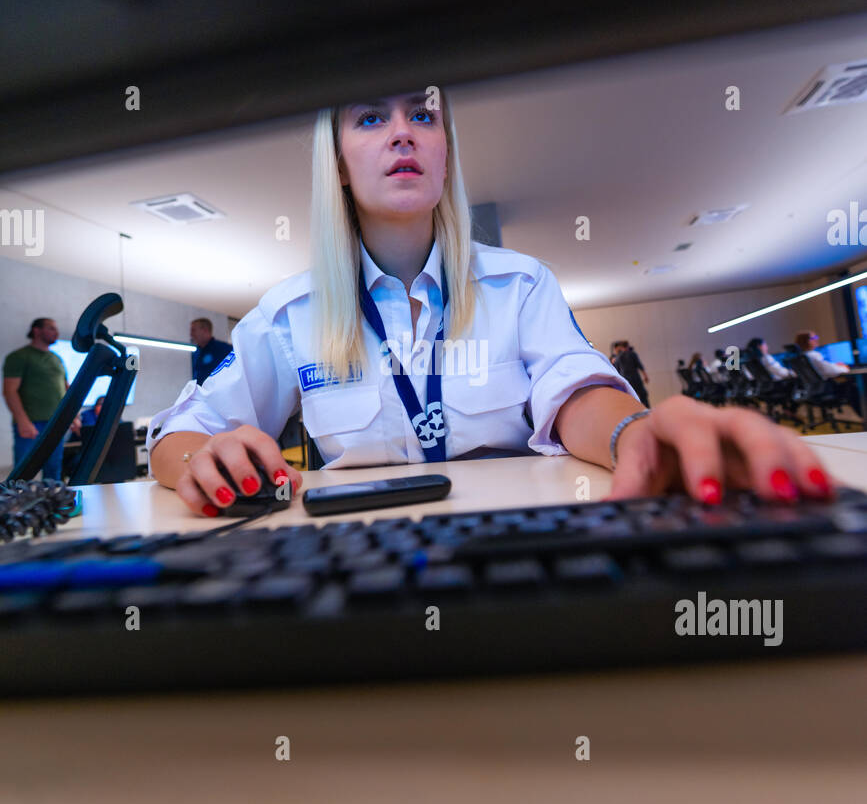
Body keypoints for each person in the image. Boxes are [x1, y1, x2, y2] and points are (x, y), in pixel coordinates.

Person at [148, 90, 834, 515]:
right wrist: (200, 461)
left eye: (422, 114)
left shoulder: (521, 283)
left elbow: (572, 387)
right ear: (336, 165)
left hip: (512, 540)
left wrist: (634, 434)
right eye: (369, 117)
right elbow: (176, 437)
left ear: (445, 155)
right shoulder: (287, 314)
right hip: (361, 558)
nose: (402, 132)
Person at [2, 317, 80, 479]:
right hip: (31, 424)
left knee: (54, 470)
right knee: (22, 474)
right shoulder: (19, 357)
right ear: (36, 331)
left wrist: (73, 416)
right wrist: (23, 421)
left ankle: (53, 503)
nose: (56, 332)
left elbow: (67, 389)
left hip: (56, 424)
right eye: (51, 328)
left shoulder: (56, 359)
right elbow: (10, 391)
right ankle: (20, 504)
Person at [190, 319, 233, 386]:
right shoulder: (196, 353)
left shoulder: (224, 349)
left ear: (205, 330)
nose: (191, 334)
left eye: (193, 330)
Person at [612, 340, 650, 407]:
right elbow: (639, 365)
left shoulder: (618, 358)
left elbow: (616, 371)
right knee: (642, 395)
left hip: (626, 379)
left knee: (631, 396)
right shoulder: (632, 354)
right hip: (635, 378)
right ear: (627, 346)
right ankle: (647, 409)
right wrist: (645, 375)